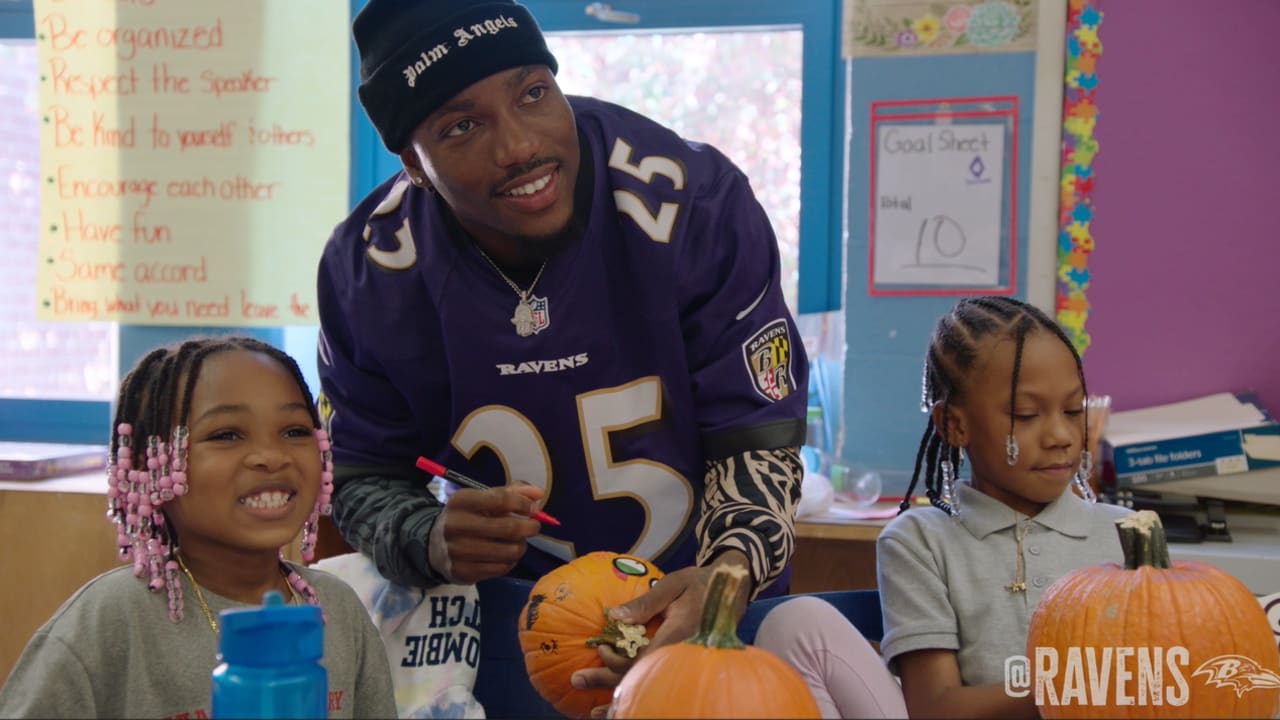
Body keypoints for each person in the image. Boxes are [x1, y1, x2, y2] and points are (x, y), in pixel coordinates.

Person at [316, 0, 809, 706]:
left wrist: (728, 575)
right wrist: (427, 535)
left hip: (705, 619)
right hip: (509, 633)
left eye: (533, 94)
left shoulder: (691, 201)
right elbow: (362, 480)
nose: (518, 146)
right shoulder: (368, 272)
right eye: (461, 125)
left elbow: (758, 439)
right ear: (413, 164)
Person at [753, 296, 1133, 718]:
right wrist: (1076, 692)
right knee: (795, 622)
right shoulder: (920, 541)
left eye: (1073, 410)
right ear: (954, 425)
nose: (1060, 435)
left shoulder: (1129, 535)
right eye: (1026, 415)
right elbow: (934, 708)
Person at [0, 337, 398, 719]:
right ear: (149, 466)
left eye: (293, 431)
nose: (271, 456)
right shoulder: (109, 621)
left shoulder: (337, 610)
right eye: (226, 435)